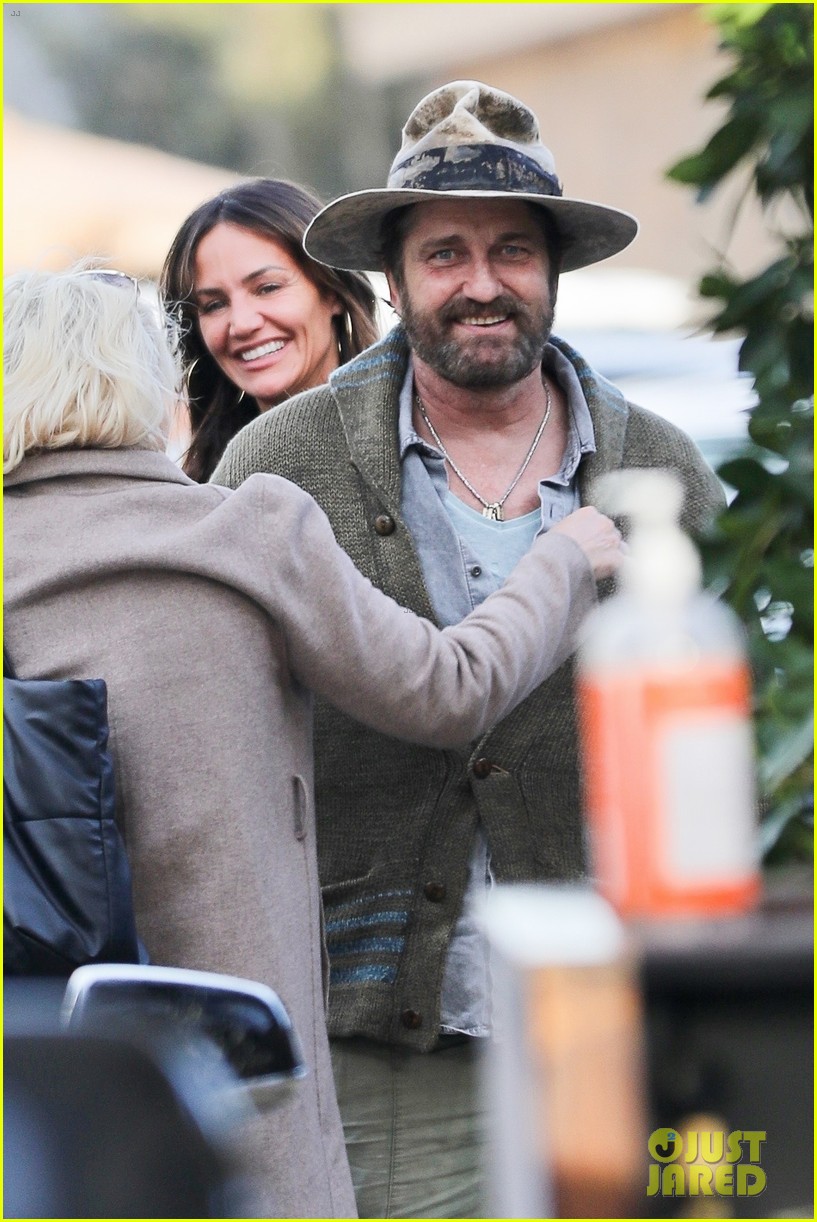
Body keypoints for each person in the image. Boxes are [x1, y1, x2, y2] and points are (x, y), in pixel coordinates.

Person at [3, 264, 624, 1219]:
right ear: (144, 384)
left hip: (34, 1095)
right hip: (234, 1086)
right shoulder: (245, 533)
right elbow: (446, 688)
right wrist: (562, 564)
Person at [212, 81, 726, 1219]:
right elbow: (226, 746)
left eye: (512, 251)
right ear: (393, 284)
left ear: (555, 271)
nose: (482, 283)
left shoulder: (663, 471)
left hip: (627, 1015)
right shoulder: (277, 468)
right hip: (388, 1035)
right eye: (444, 253)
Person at [160, 178, 380, 481]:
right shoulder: (198, 492)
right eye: (214, 305)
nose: (242, 324)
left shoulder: (417, 446)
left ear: (333, 292)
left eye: (268, 288)